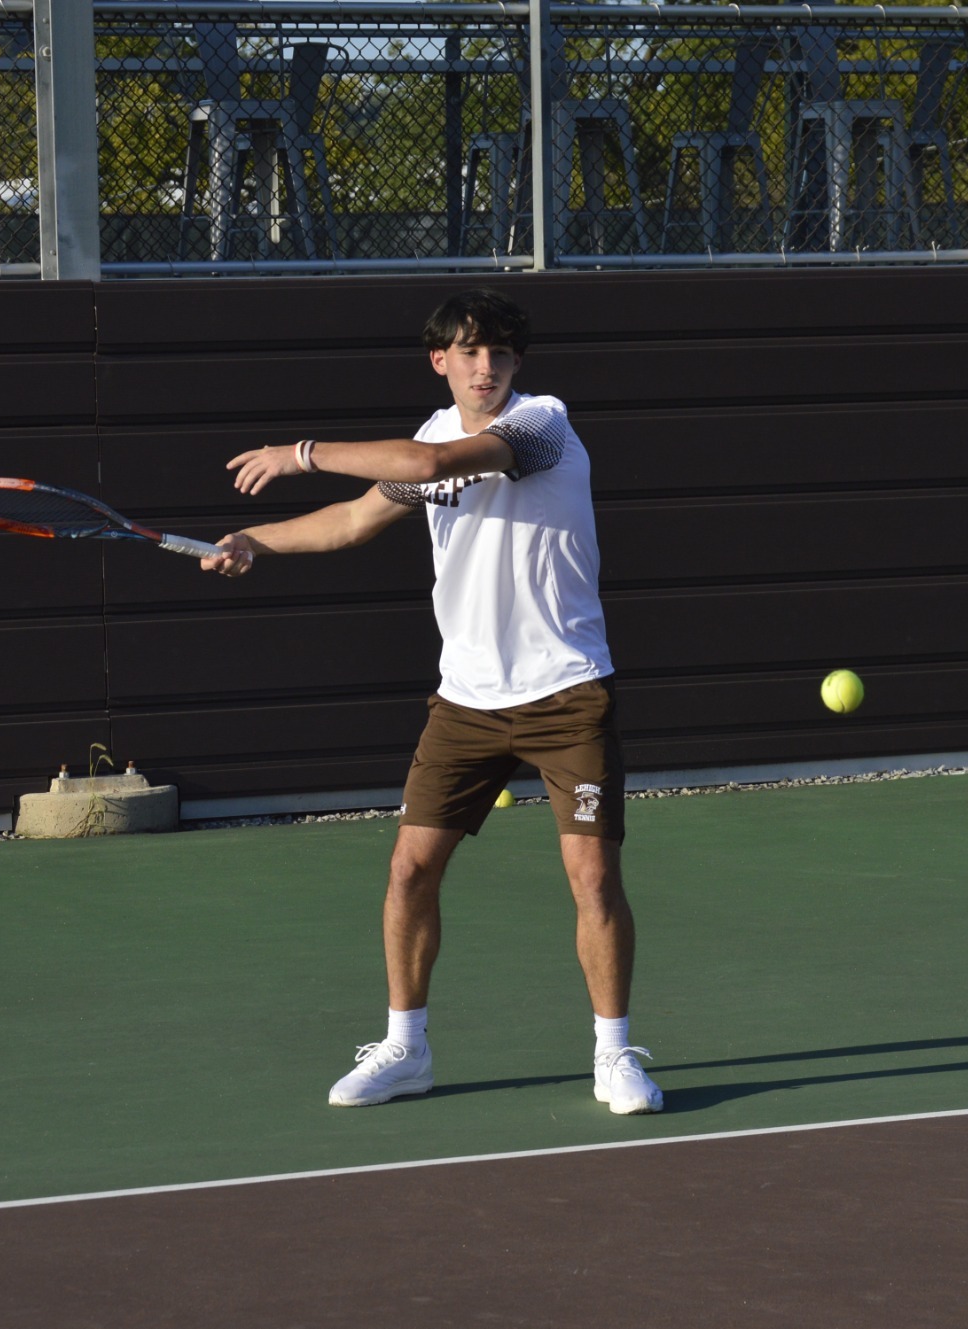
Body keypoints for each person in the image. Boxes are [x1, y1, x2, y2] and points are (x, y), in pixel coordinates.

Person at [200, 289, 662, 1116]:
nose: (487, 367)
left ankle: (614, 1054)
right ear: (440, 360)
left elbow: (426, 471)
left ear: (517, 365)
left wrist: (299, 451)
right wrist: (254, 542)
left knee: (592, 879)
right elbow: (352, 520)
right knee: (409, 868)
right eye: (470, 351)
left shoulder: (541, 424)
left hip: (565, 691)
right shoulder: (426, 432)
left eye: (501, 353)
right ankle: (405, 1047)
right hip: (466, 701)